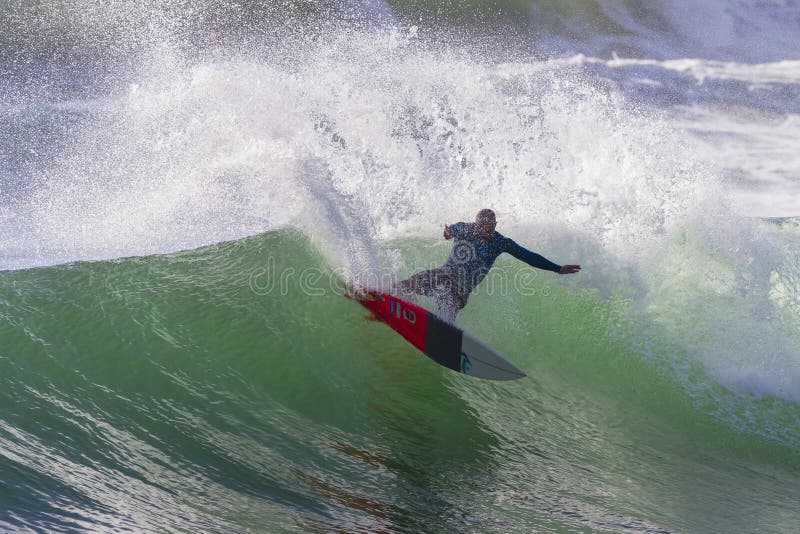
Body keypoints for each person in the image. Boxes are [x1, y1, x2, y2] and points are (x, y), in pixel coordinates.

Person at [397, 209, 580, 322]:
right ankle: (380, 295)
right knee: (411, 284)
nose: (485, 232)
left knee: (450, 306)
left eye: (490, 228)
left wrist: (557, 268)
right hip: (444, 274)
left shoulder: (500, 242)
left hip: (462, 288)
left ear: (495, 225)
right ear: (475, 224)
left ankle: (442, 334)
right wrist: (447, 233)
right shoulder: (464, 228)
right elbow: (450, 230)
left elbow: (527, 256)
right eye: (482, 227)